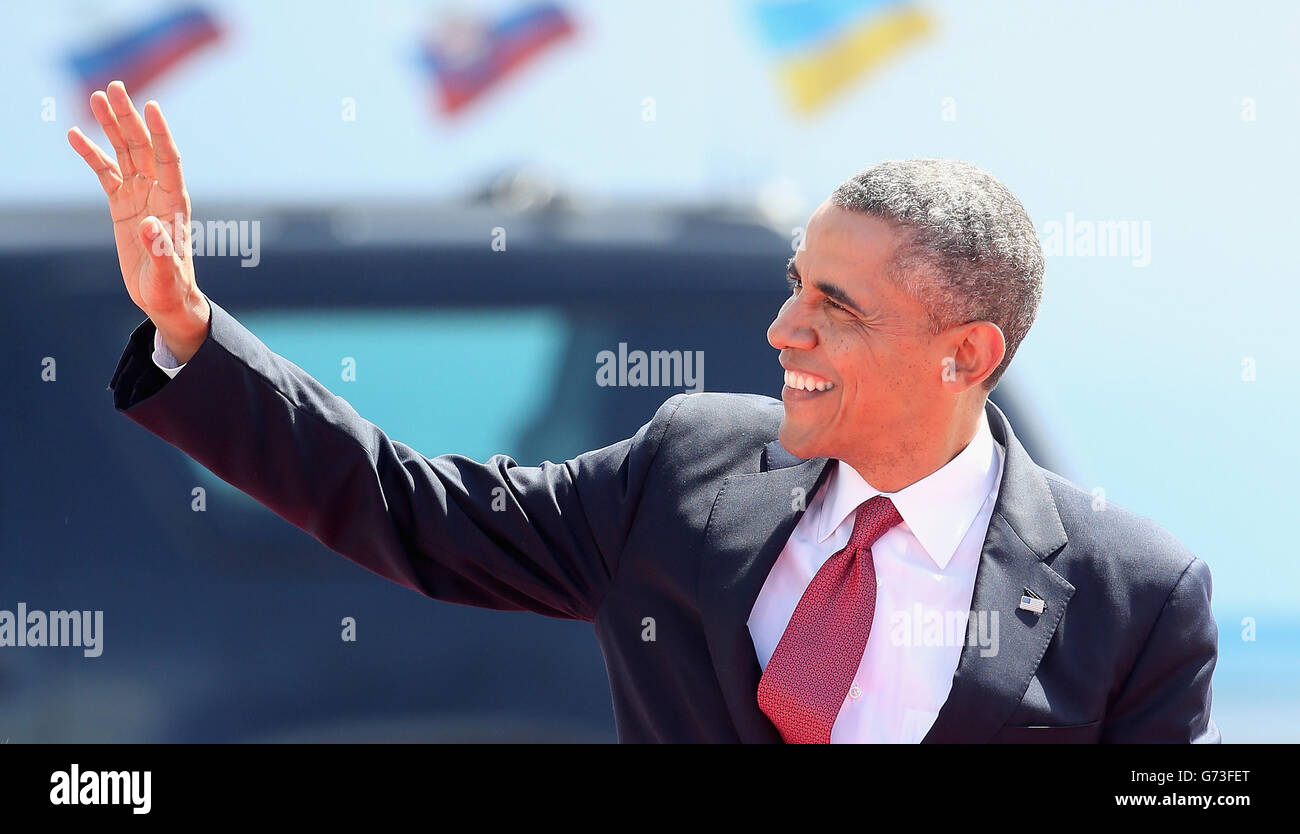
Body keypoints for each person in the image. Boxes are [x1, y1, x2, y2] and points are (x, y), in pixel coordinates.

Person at [69, 81, 1219, 743]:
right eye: (789, 284)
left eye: (836, 307)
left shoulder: (1136, 595)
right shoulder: (686, 472)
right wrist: (190, 331)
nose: (784, 332)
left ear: (965, 354)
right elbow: (406, 508)